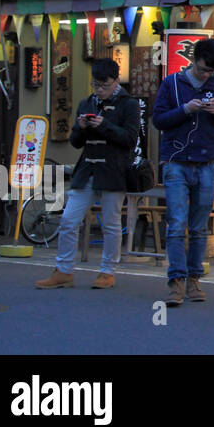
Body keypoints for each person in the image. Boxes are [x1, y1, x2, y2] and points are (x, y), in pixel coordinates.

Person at [35, 58, 141, 290]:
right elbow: (74, 142)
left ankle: (107, 271)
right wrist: (81, 127)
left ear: (115, 80)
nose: (99, 90)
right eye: (96, 85)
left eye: (104, 85)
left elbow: (130, 139)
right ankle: (64, 270)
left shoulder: (129, 104)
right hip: (87, 170)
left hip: (114, 171)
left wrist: (104, 125)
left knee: (111, 224)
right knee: (68, 219)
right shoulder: (86, 103)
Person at [152, 37, 214, 307]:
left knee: (199, 226)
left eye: (211, 71)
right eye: (202, 69)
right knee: (177, 223)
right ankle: (175, 281)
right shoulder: (172, 83)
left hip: (208, 162)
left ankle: (194, 280)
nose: (206, 75)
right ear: (192, 59)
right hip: (176, 161)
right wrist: (186, 109)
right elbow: (158, 120)